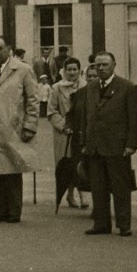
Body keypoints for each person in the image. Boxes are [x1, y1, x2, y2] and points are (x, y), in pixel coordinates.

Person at [73, 50, 137, 237]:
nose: (101, 68)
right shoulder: (91, 88)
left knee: (120, 187)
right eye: (97, 65)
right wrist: (84, 142)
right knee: (98, 187)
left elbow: (135, 120)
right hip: (94, 146)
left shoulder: (128, 87)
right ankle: (101, 224)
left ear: (114, 65)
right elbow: (85, 117)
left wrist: (131, 144)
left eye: (105, 64)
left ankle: (123, 224)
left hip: (117, 146)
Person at [0, 36, 41, 223]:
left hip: (13, 127)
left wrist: (30, 125)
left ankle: (14, 211)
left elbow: (33, 100)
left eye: (0, 48)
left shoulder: (23, 70)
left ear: (9, 49)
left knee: (12, 169)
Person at [48, 56, 88, 209]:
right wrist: (64, 126)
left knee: (81, 163)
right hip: (63, 133)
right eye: (69, 69)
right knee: (67, 164)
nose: (72, 73)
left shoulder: (86, 86)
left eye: (75, 69)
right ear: (64, 71)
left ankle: (82, 194)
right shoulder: (57, 88)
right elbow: (52, 111)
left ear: (80, 71)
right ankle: (69, 194)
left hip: (81, 131)